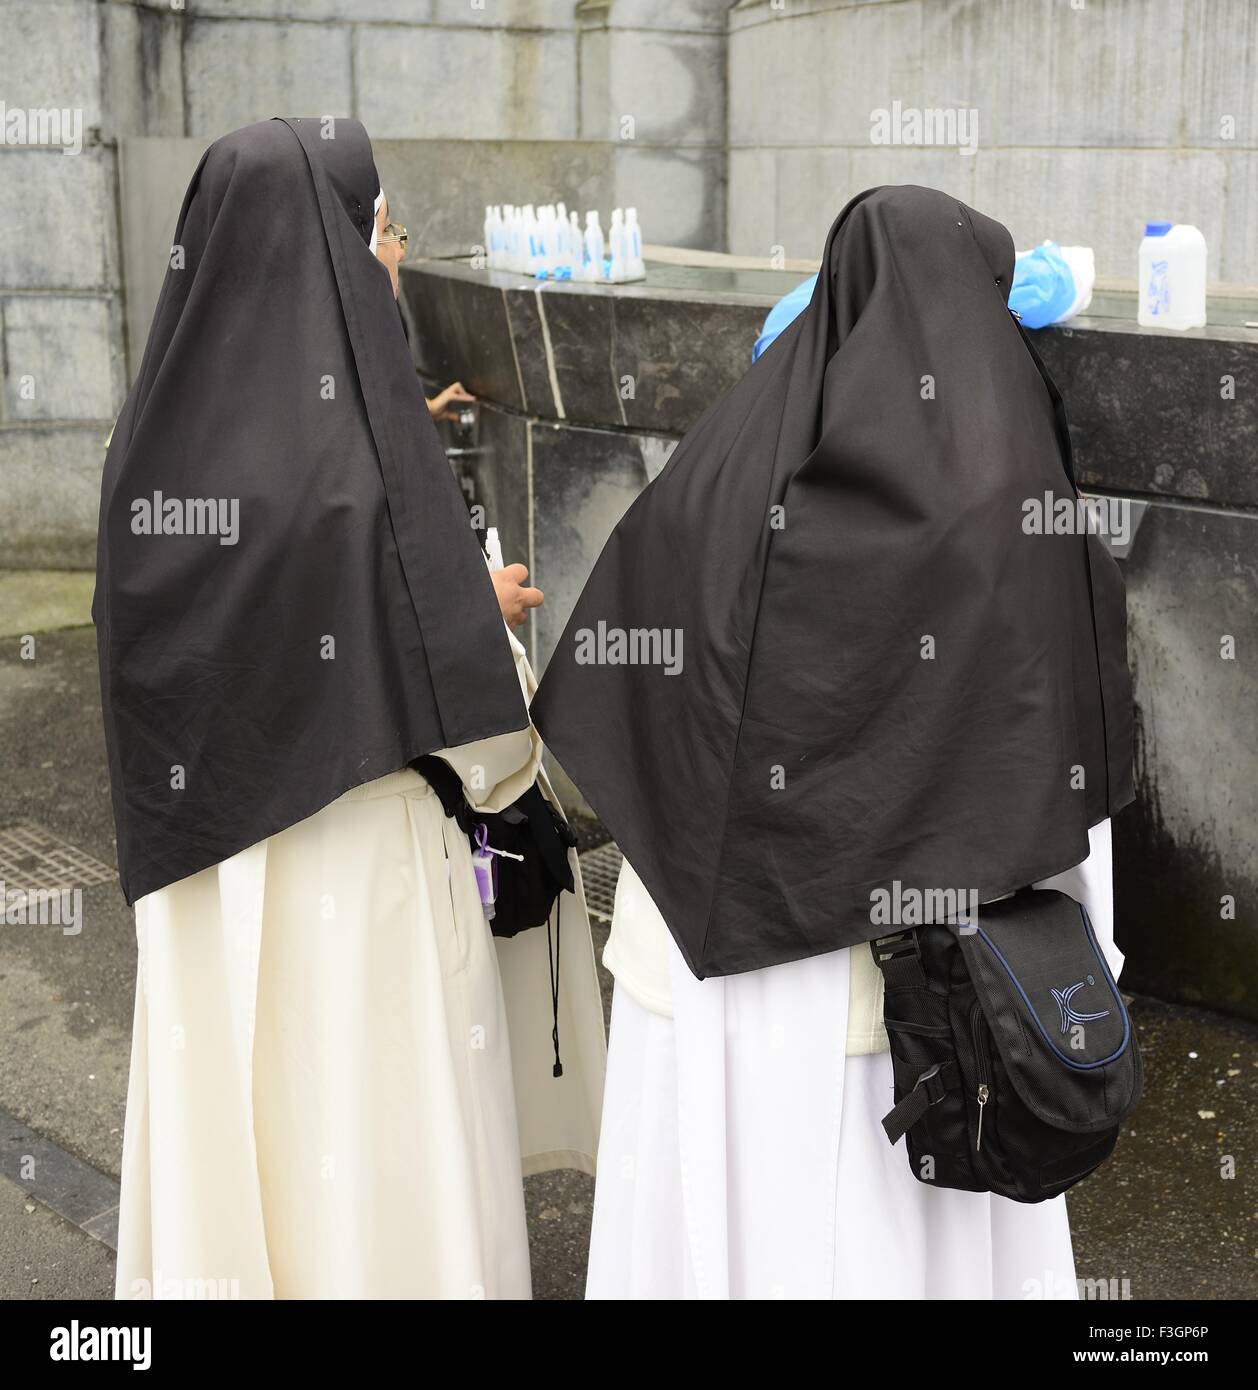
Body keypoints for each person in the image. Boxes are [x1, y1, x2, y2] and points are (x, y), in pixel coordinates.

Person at [531, 184, 1135, 1299]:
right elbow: (1056, 751)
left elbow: (625, 676)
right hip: (925, 1007)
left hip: (725, 982)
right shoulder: (1013, 502)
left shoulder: (725, 467)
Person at [95, 116, 604, 1300]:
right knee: (377, 1162)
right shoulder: (369, 469)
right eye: (377, 225)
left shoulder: (145, 446)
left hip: (204, 880)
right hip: (363, 870)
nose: (391, 250)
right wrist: (483, 627)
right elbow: (480, 739)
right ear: (328, 239)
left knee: (243, 1143)